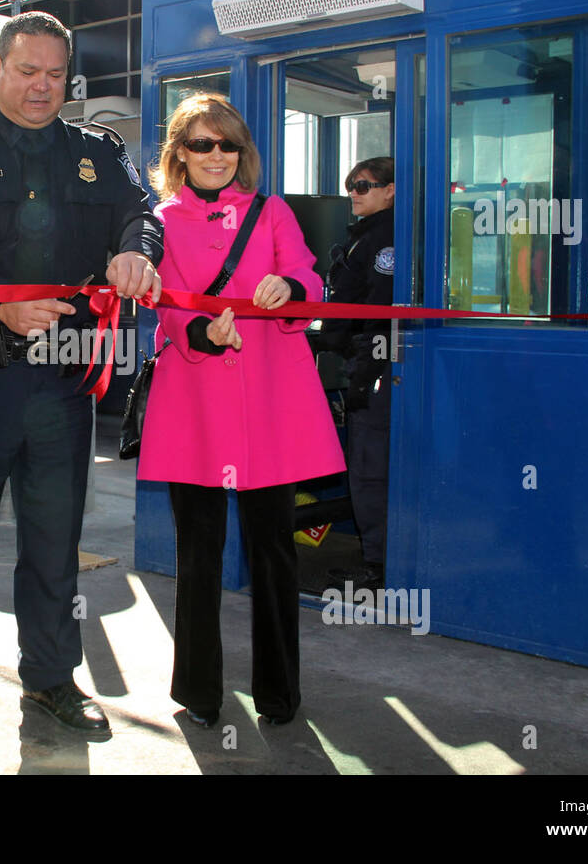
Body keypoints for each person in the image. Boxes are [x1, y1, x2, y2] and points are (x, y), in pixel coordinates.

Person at [0, 11, 164, 750]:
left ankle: (51, 678)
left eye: (54, 74)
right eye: (26, 71)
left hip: (62, 383)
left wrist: (133, 255)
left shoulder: (98, 153)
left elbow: (140, 214)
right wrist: (1, 301)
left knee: (54, 541)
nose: (41, 86)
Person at [137, 94, 344, 727]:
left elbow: (311, 280)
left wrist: (292, 289)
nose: (217, 155)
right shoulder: (160, 222)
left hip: (270, 403)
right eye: (202, 144)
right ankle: (199, 694)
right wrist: (202, 334)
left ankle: (280, 695)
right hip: (194, 403)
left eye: (228, 144)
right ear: (179, 153)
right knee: (197, 555)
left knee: (275, 553)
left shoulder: (272, 211)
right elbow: (161, 306)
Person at [317, 157, 395, 588]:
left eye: (364, 186)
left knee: (370, 466)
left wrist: (362, 368)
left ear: (391, 190)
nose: (354, 193)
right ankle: (379, 556)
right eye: (351, 186)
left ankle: (378, 563)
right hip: (367, 361)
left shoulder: (383, 240)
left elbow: (377, 309)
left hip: (373, 364)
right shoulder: (366, 236)